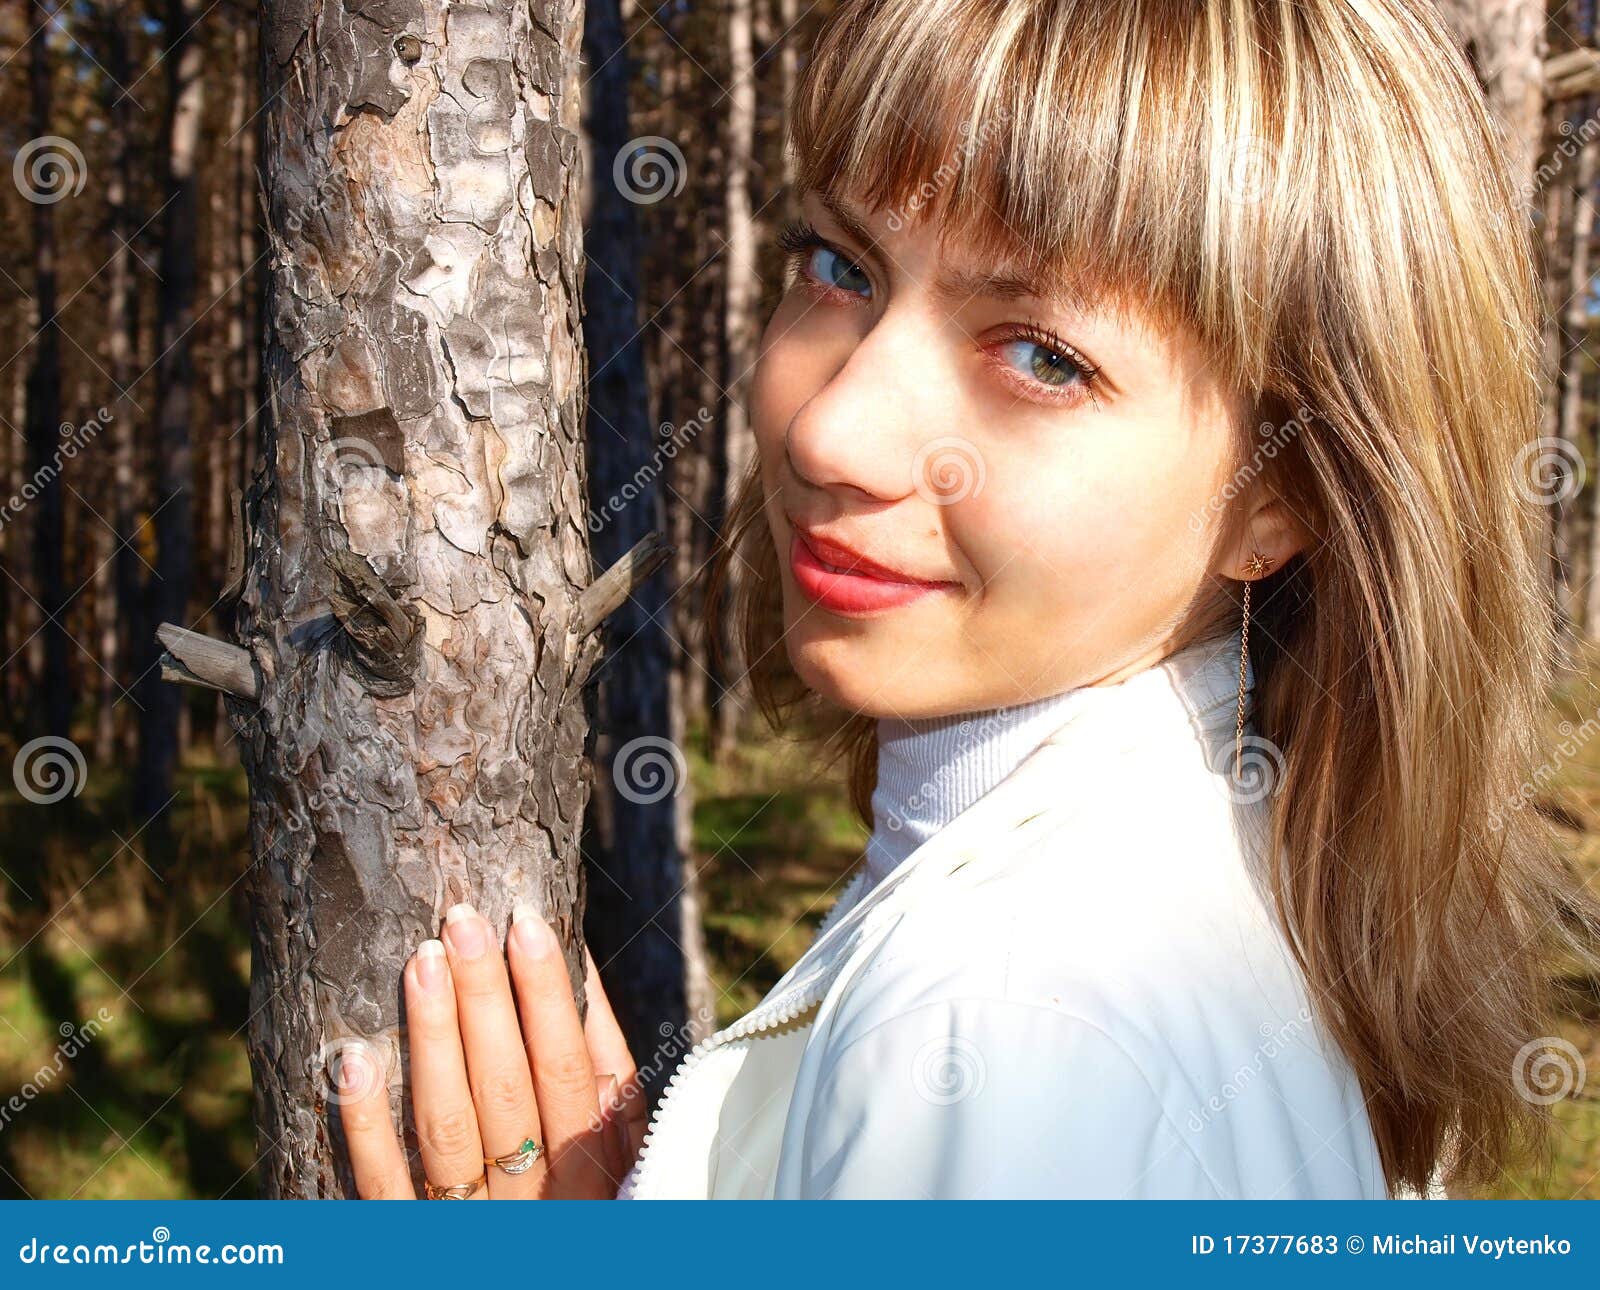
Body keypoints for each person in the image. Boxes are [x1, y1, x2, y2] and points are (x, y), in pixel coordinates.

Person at [338, 0, 1600, 1199]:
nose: (833, 429)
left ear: (1281, 496)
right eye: (840, 265)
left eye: (1042, 355)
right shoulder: (1269, 878)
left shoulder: (1007, 1025)